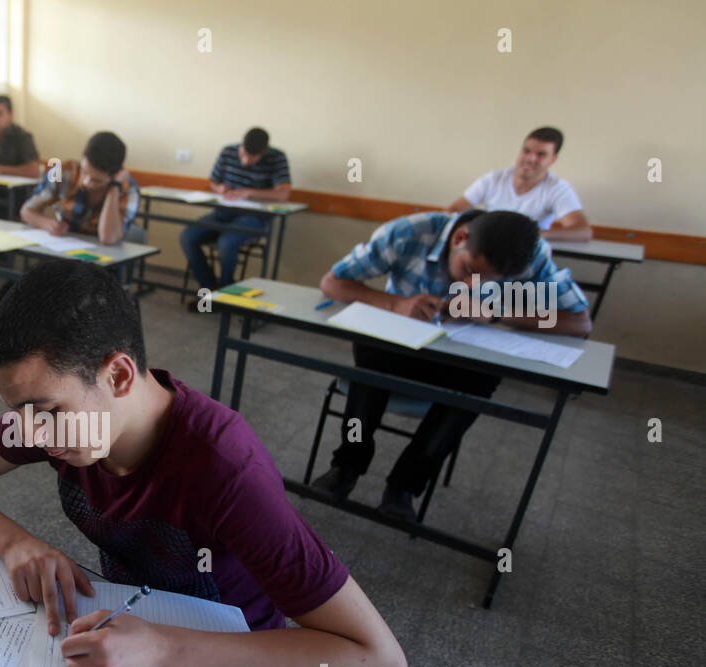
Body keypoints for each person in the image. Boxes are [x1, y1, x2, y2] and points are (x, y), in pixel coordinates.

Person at [0, 260, 404, 667]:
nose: (31, 432)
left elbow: (381, 666)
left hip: (233, 663)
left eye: (46, 411)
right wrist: (16, 543)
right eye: (18, 412)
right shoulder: (61, 420)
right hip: (128, 632)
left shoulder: (227, 471)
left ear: (118, 375)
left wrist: (165, 652)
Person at [311, 209, 591, 522]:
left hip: (461, 357)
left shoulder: (530, 254)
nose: (473, 284)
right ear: (459, 239)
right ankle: (346, 465)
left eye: (489, 280)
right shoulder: (409, 232)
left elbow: (579, 321)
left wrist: (496, 314)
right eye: (470, 270)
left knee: (480, 382)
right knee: (370, 351)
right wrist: (397, 304)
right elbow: (331, 282)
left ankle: (404, 487)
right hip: (395, 346)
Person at [181, 127, 292, 302]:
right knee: (188, 236)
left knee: (226, 242)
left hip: (253, 217)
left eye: (253, 157)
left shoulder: (276, 158)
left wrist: (249, 192)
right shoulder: (228, 152)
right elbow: (214, 182)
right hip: (223, 212)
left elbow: (283, 194)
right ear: (241, 145)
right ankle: (210, 287)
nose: (246, 161)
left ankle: (225, 294)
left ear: (264, 151)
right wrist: (220, 188)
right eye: (244, 154)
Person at [449, 127, 593, 242]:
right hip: (487, 249)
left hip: (526, 255)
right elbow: (453, 211)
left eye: (541, 154)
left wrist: (533, 234)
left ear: (553, 159)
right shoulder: (493, 179)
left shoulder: (557, 188)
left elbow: (583, 232)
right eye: (527, 151)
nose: (531, 159)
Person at [20, 131, 140, 246]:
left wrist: (114, 189)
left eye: (97, 180)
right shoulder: (64, 173)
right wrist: (47, 224)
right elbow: (26, 211)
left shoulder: (128, 190)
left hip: (107, 260)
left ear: (116, 175)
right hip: (67, 249)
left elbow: (108, 238)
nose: (87, 182)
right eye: (84, 172)